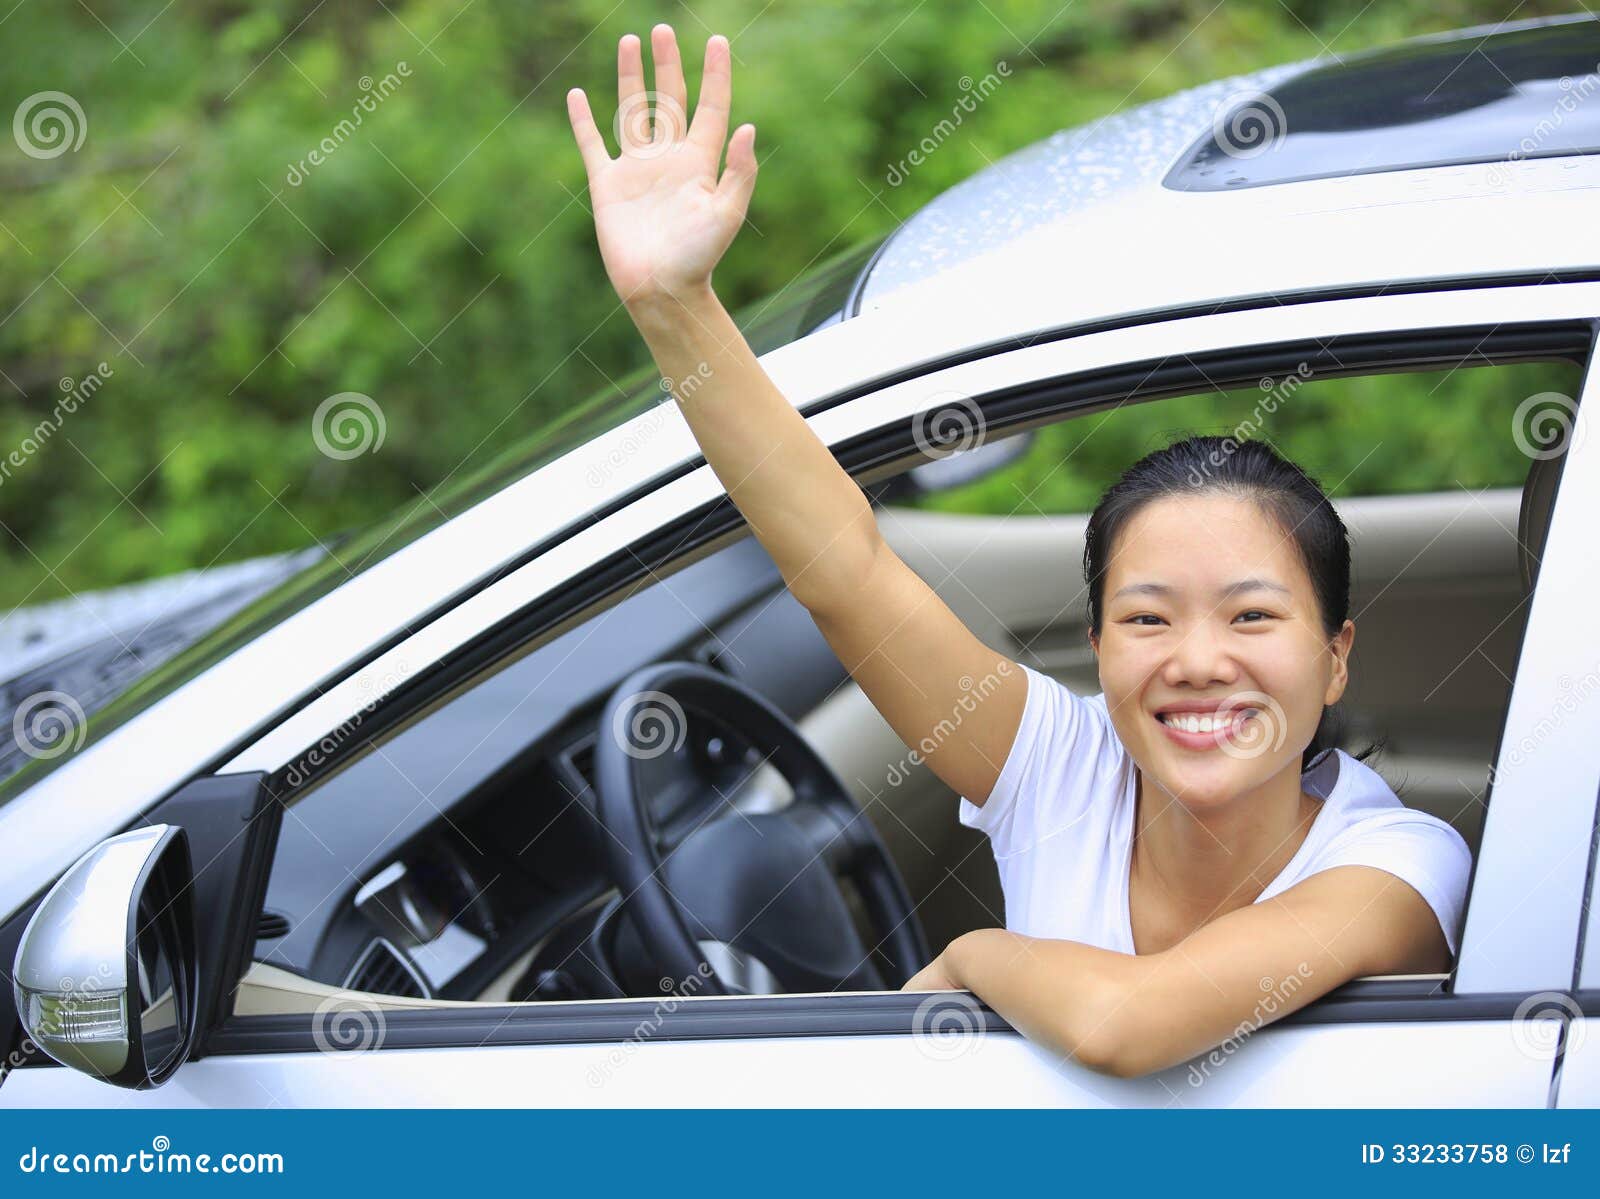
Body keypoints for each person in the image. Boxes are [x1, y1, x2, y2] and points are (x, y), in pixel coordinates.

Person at [565, 24, 1472, 1079]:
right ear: (1097, 645)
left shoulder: (1398, 862)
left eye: (1252, 614)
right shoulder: (1063, 765)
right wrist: (675, 307)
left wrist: (972, 953)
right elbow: (842, 566)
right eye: (1147, 616)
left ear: (1334, 656)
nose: (1195, 659)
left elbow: (1123, 1027)